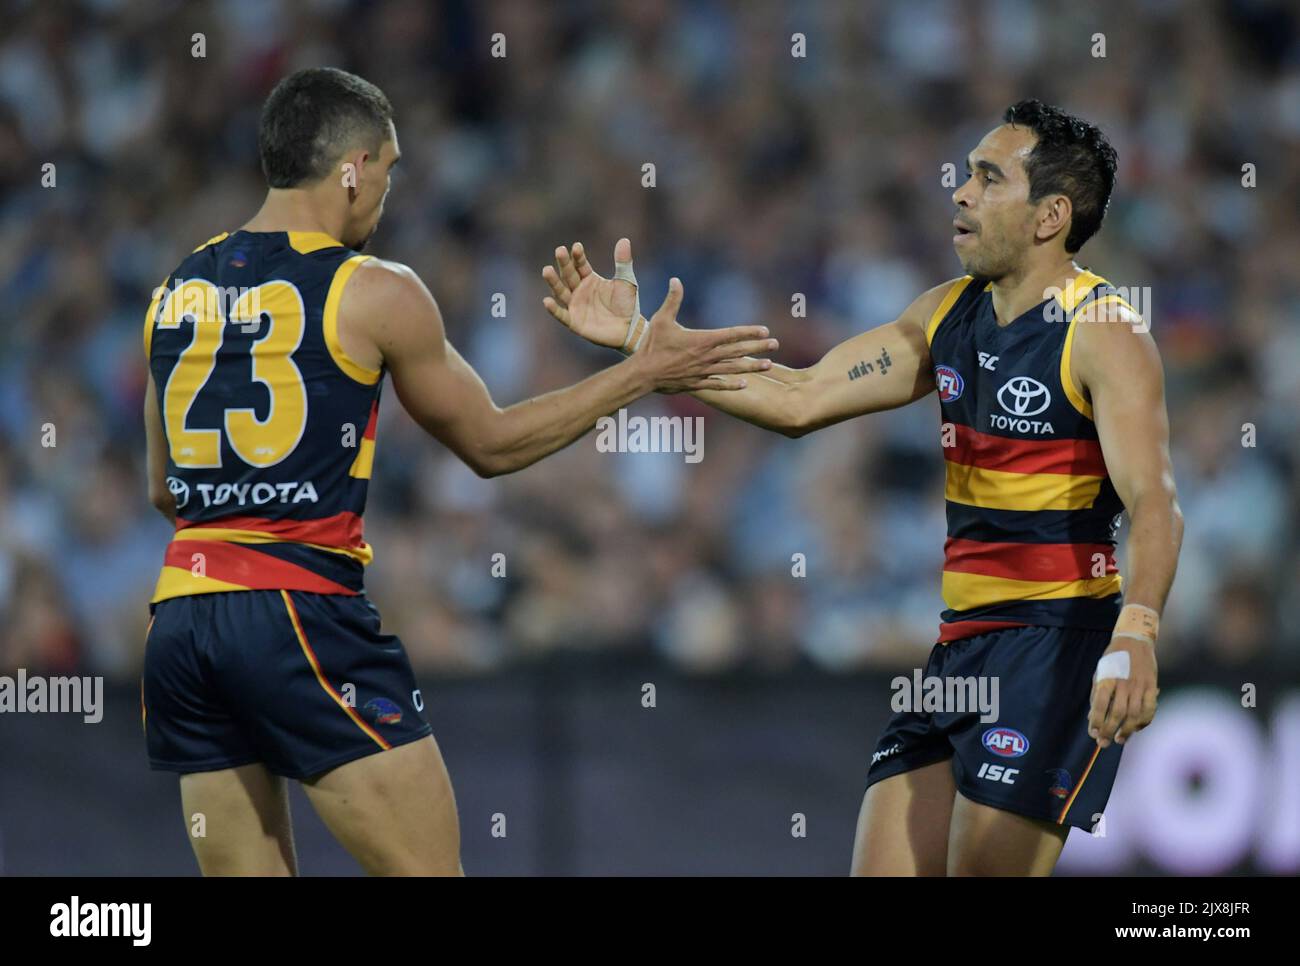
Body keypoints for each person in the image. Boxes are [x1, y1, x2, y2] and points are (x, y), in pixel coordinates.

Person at [141, 67, 775, 876]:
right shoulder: (374, 289)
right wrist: (640, 373)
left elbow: (166, 490)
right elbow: (493, 445)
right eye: (390, 169)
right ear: (351, 168)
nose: (389, 192)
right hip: (297, 613)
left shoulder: (175, 289)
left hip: (184, 623)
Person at [540, 99, 1184, 876]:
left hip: (1056, 648)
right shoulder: (944, 314)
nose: (961, 192)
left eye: (987, 177)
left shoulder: (1105, 332)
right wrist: (646, 348)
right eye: (966, 174)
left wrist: (1138, 632)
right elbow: (801, 397)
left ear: (1050, 215)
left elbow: (1155, 502)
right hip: (958, 650)